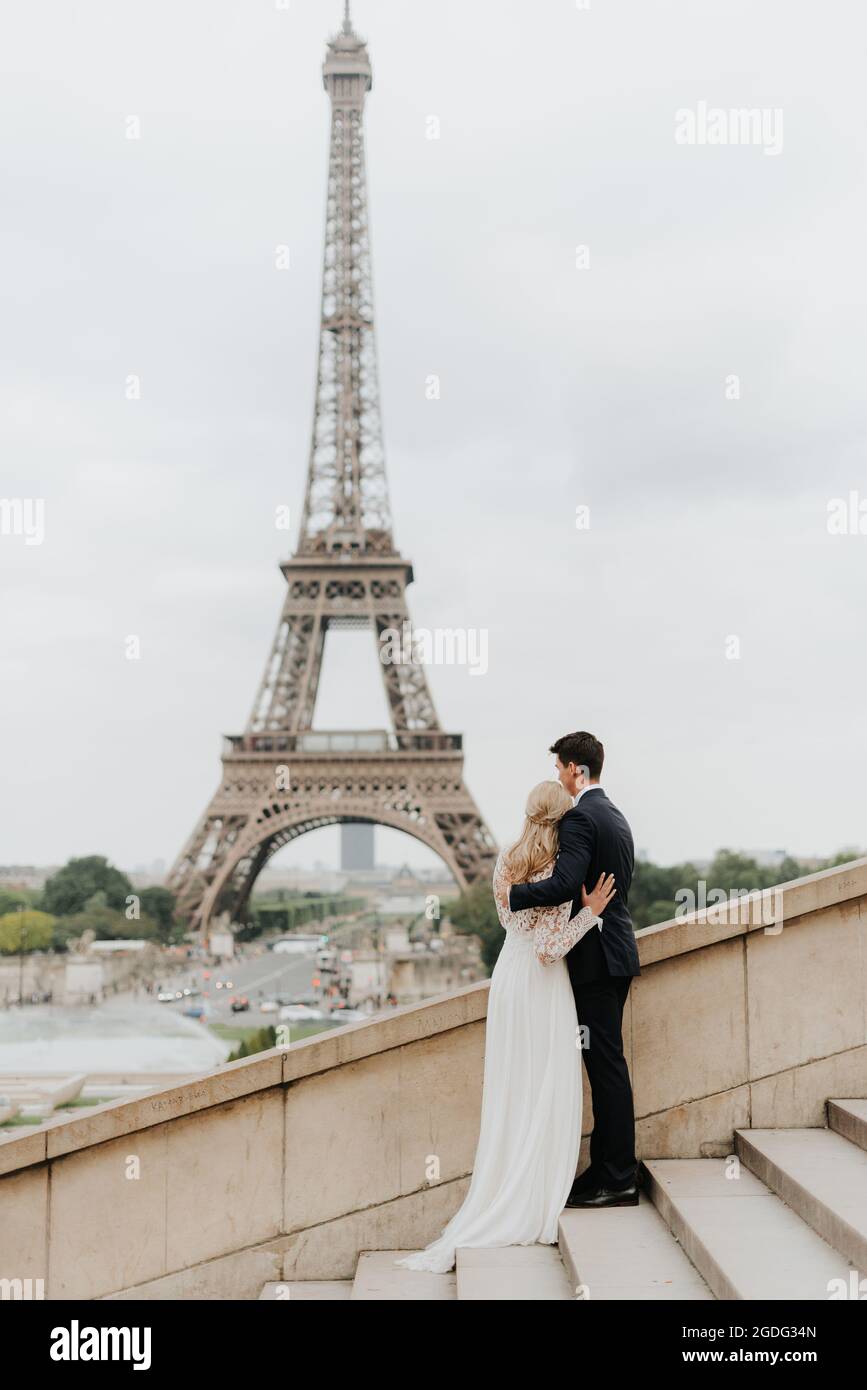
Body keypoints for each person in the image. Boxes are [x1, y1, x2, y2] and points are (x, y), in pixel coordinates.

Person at [395, 780, 616, 1273]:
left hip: (508, 982)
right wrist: (590, 915)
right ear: (563, 819)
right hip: (542, 984)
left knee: (513, 1087)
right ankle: (533, 1191)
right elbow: (548, 948)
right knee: (545, 1085)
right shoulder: (557, 869)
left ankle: (507, 1187)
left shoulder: (505, 862)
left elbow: (514, 930)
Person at [509, 731, 640, 1208]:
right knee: (605, 1065)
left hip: (596, 960)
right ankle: (604, 1171)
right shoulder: (615, 815)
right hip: (615, 954)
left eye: (560, 768)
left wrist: (513, 895)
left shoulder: (582, 817)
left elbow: (565, 883)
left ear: (575, 770)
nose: (558, 778)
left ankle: (619, 1177)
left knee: (605, 1069)